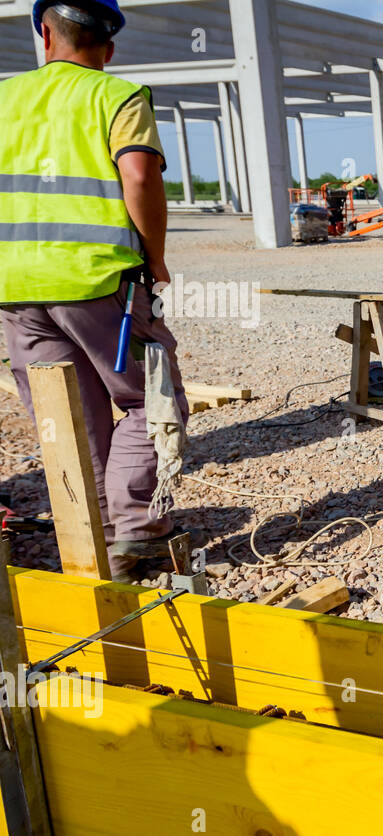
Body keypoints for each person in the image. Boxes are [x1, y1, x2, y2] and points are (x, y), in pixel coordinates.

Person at [0, 0, 188, 580]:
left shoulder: (5, 98)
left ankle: (94, 545)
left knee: (69, 416)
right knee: (145, 401)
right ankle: (134, 535)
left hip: (13, 290)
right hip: (101, 280)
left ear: (43, 33)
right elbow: (139, 175)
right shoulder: (117, 97)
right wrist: (155, 257)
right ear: (108, 47)